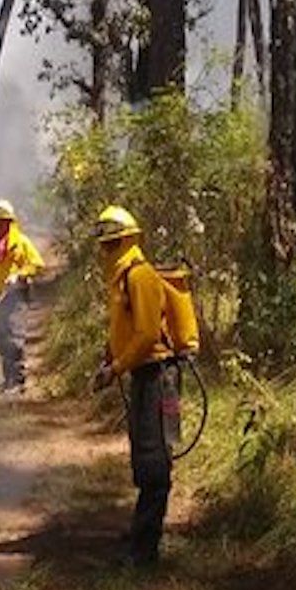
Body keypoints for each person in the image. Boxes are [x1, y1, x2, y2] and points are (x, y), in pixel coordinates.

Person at [93, 205, 174, 567]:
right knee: (143, 454)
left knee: (154, 460)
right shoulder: (122, 276)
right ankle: (142, 529)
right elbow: (123, 327)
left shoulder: (140, 276)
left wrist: (116, 369)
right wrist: (109, 357)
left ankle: (146, 549)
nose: (106, 251)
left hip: (157, 374)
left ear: (127, 241)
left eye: (113, 244)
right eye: (105, 245)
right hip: (141, 374)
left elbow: (146, 334)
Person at [0, 200, 44, 393]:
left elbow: (37, 264)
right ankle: (8, 379)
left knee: (14, 338)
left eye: (3, 221)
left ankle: (18, 381)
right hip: (0, 297)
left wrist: (19, 274)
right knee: (1, 339)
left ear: (10, 222)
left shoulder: (21, 242)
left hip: (17, 297)